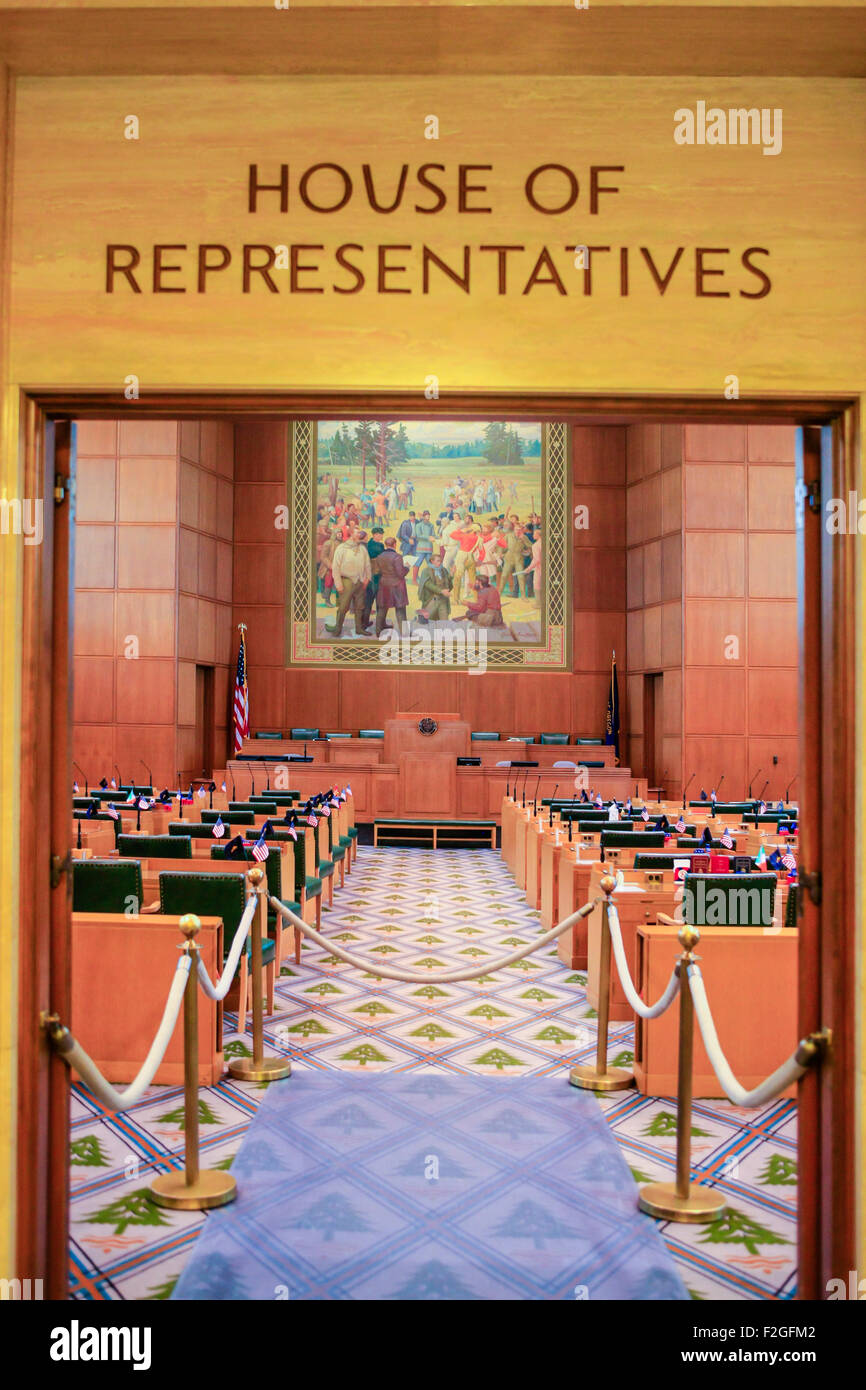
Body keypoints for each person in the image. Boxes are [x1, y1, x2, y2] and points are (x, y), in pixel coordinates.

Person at [325, 529, 373, 637]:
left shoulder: (362, 548)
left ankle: (359, 629)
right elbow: (336, 567)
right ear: (351, 534)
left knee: (360, 607)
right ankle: (338, 629)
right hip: (346, 581)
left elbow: (367, 565)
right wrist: (338, 584)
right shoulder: (341, 548)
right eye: (357, 532)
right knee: (343, 607)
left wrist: (367, 578)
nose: (360, 534)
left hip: (360, 581)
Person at [372, 537, 410, 636]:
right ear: (395, 544)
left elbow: (376, 571)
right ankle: (405, 633)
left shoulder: (379, 556)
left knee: (382, 608)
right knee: (400, 609)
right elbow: (401, 574)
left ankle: (378, 631)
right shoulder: (397, 557)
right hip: (397, 586)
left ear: (386, 545)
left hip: (384, 584)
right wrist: (407, 567)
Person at [416, 546, 453, 623]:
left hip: (443, 600)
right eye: (438, 561)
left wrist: (451, 576)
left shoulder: (444, 570)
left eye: (441, 561)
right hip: (431, 600)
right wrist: (441, 591)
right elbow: (428, 584)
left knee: (444, 622)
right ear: (432, 561)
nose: (440, 563)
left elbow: (449, 586)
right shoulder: (426, 571)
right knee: (425, 621)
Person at [361, 526, 386, 629]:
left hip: (376, 575)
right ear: (375, 535)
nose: (382, 536)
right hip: (373, 576)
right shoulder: (372, 545)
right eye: (380, 534)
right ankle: (368, 624)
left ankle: (374, 623)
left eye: (382, 534)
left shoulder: (377, 544)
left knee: (374, 601)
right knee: (372, 601)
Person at [412, 510, 435, 581]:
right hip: (421, 548)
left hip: (429, 548)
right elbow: (418, 536)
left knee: (431, 564)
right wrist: (428, 537)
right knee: (417, 563)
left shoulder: (431, 525)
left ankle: (432, 579)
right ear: (423, 516)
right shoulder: (418, 525)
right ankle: (414, 579)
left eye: (429, 515)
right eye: (426, 515)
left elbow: (433, 535)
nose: (428, 517)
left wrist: (437, 538)